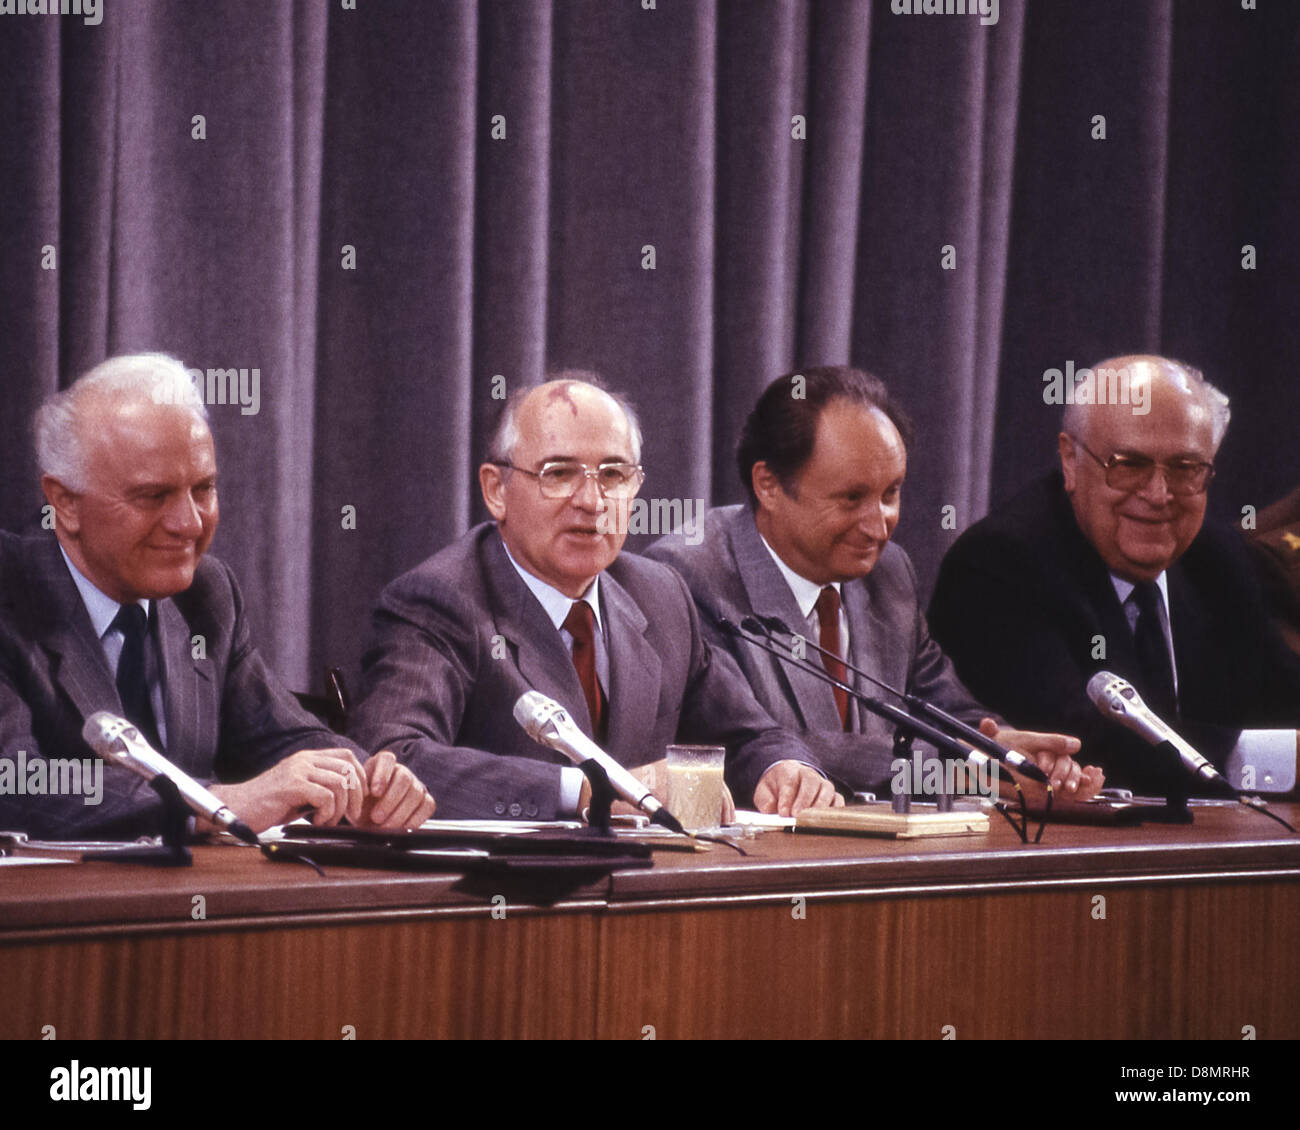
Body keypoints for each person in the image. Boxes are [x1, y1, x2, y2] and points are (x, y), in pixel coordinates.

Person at [349, 375, 840, 820]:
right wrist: (589, 789)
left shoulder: (660, 594)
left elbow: (748, 735)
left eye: (612, 475)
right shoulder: (441, 600)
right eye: (559, 474)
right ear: (496, 490)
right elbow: (390, 757)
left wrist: (785, 767)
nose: (591, 501)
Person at [0, 353, 435, 838]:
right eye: (152, 496)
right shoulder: (10, 595)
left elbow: (285, 738)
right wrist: (215, 803)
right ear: (65, 503)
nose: (188, 523)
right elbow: (17, 783)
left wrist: (367, 780)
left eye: (203, 488)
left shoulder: (206, 595)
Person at [646, 367, 1099, 801]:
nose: (878, 525)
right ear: (768, 484)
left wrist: (1005, 746)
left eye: (891, 494)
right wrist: (962, 767)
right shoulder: (688, 577)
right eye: (852, 498)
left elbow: (946, 711)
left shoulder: (889, 574)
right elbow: (757, 743)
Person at [929, 355, 1300, 795]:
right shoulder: (998, 567)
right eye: (1129, 464)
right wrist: (1277, 758)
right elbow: (1084, 747)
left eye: (1185, 469)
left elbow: (1284, 696)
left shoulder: (1217, 558)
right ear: (1070, 460)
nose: (1159, 494)